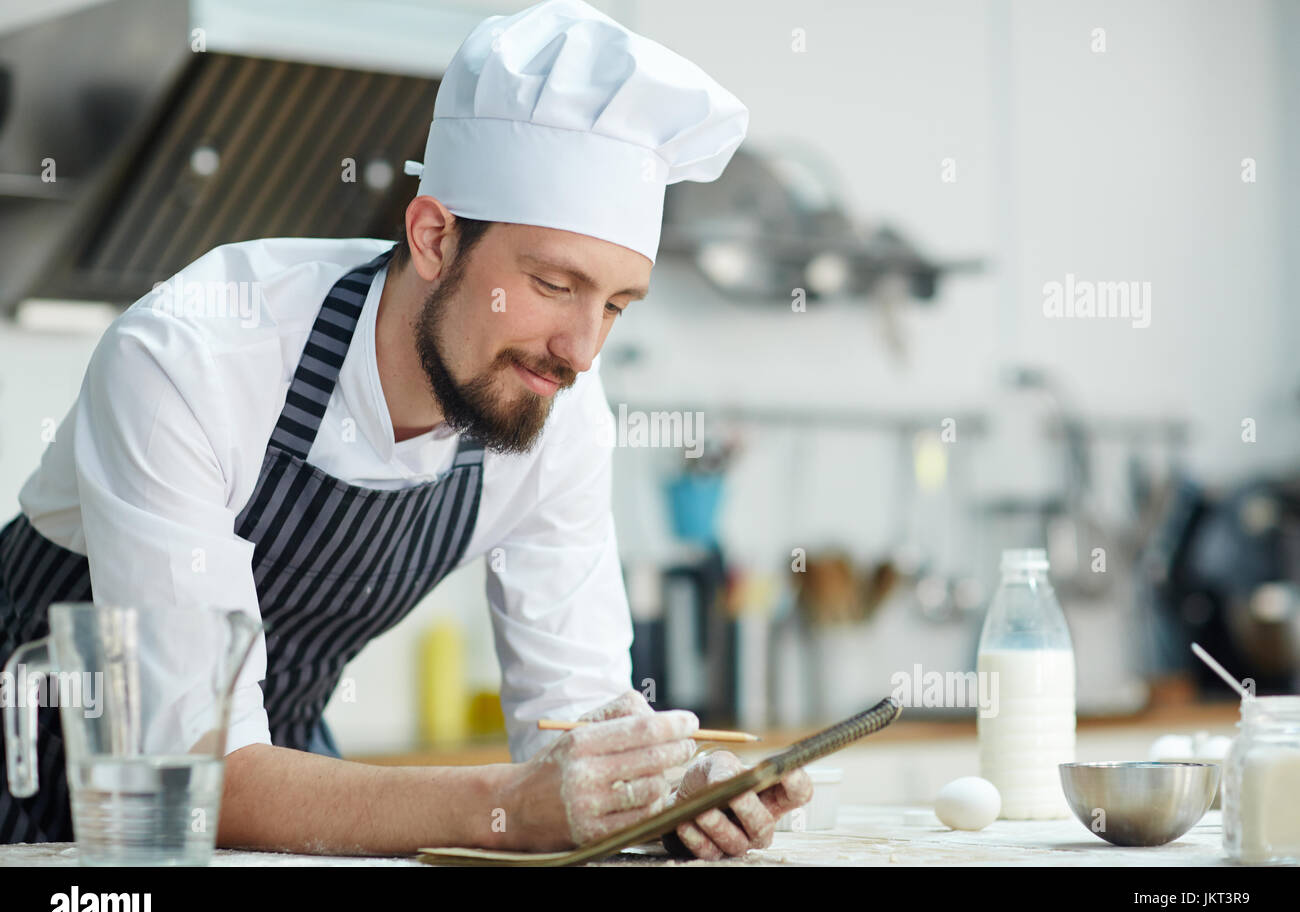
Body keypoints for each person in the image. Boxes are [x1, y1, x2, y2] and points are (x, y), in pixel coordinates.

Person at [0, 0, 811, 858]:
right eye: (550, 284)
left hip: (278, 803)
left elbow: (575, 720)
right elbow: (194, 771)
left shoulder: (555, 404)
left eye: (614, 305)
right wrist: (511, 805)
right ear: (433, 236)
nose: (580, 349)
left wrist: (660, 790)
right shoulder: (195, 354)